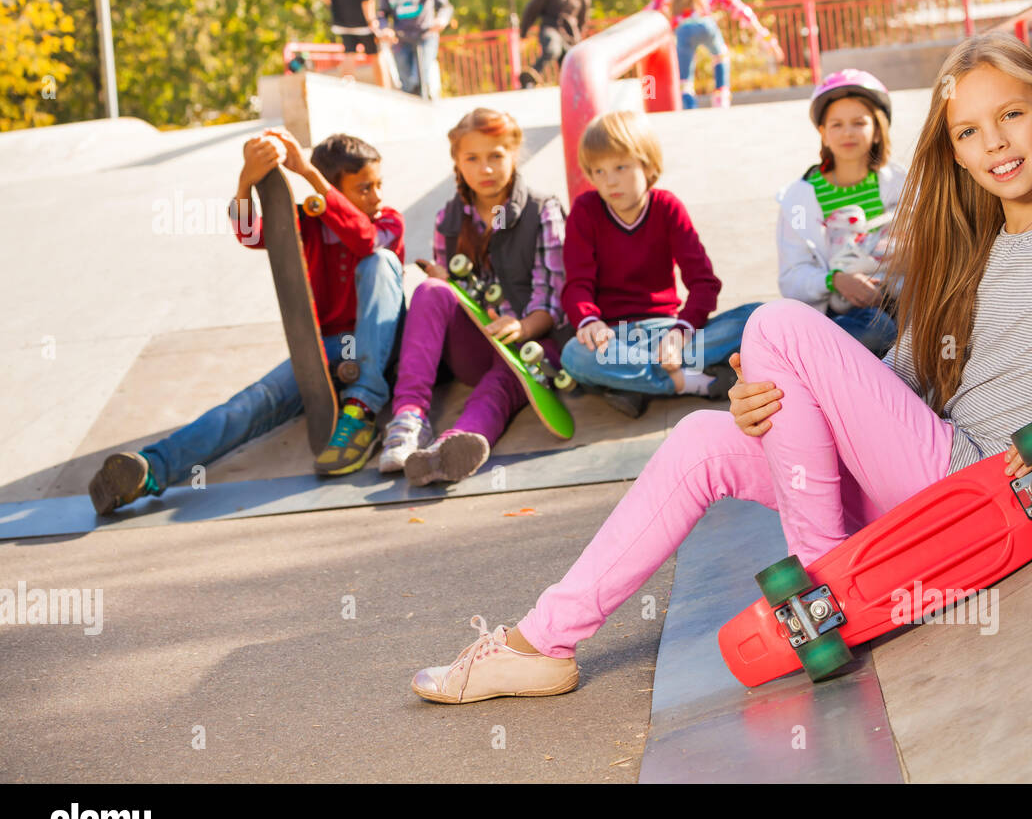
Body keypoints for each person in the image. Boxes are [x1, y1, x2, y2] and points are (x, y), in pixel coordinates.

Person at [406, 31, 1032, 704]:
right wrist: (773, 409)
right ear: (956, 152)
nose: (994, 143)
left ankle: (830, 584)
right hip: (925, 468)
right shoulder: (979, 247)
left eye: (1011, 116)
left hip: (979, 483)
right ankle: (540, 645)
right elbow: (902, 379)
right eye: (969, 131)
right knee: (705, 437)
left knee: (779, 319)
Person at [89, 130, 406, 514]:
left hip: (381, 350)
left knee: (380, 261)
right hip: (322, 355)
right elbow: (252, 234)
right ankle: (151, 468)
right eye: (364, 188)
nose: (377, 196)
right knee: (252, 403)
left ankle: (362, 408)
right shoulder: (306, 222)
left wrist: (307, 172)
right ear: (331, 194)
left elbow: (365, 241)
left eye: (378, 185)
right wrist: (247, 181)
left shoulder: (388, 221)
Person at [379, 108, 570, 484]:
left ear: (514, 155)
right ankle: (409, 419)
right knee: (431, 289)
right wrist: (449, 283)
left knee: (503, 378)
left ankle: (455, 446)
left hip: (534, 346)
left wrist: (523, 326)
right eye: (473, 158)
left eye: (496, 156)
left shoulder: (542, 211)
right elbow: (459, 300)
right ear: (457, 162)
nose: (485, 169)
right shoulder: (447, 220)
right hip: (479, 343)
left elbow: (554, 297)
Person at [557, 110, 760, 419]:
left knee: (755, 318)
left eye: (620, 167)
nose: (609, 180)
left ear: (647, 164)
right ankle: (692, 382)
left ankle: (632, 382)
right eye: (598, 171)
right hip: (614, 335)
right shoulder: (585, 211)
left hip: (666, 329)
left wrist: (680, 332)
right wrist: (589, 321)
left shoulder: (667, 207)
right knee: (574, 355)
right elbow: (577, 285)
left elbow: (704, 282)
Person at [777, 69, 906, 356]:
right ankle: (803, 352)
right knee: (756, 315)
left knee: (881, 329)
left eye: (859, 123)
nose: (847, 132)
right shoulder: (799, 198)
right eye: (836, 124)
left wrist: (888, 287)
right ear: (822, 133)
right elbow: (791, 278)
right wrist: (835, 280)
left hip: (897, 310)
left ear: (877, 131)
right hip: (832, 316)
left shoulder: (903, 186)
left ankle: (799, 355)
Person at [647, 0, 784, 109]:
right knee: (720, 55)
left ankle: (688, 101)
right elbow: (739, 8)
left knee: (685, 70)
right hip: (705, 25)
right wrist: (767, 39)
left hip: (683, 30)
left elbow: (654, 6)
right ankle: (721, 95)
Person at [517, 0, 593, 89]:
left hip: (570, 34)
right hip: (550, 28)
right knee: (552, 49)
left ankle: (571, 85)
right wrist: (523, 34)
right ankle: (532, 75)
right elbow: (531, 10)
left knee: (570, 60)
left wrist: (579, 39)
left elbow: (582, 22)